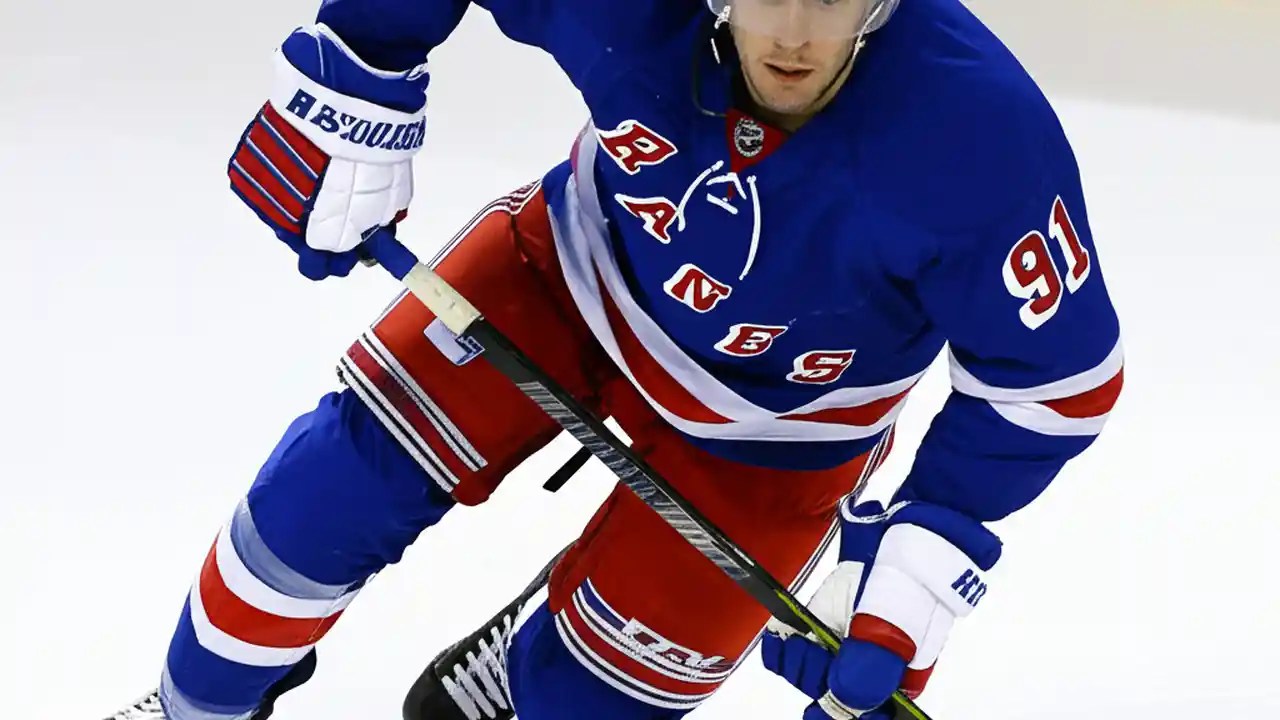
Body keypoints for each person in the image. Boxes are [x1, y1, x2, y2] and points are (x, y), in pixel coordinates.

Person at [104, 0, 1125, 718]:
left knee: (589, 703)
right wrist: (355, 69)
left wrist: (922, 553)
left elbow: (1054, 385)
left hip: (785, 429)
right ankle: (192, 710)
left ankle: (547, 657)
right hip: (569, 278)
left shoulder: (981, 136)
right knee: (317, 504)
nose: (794, 33)